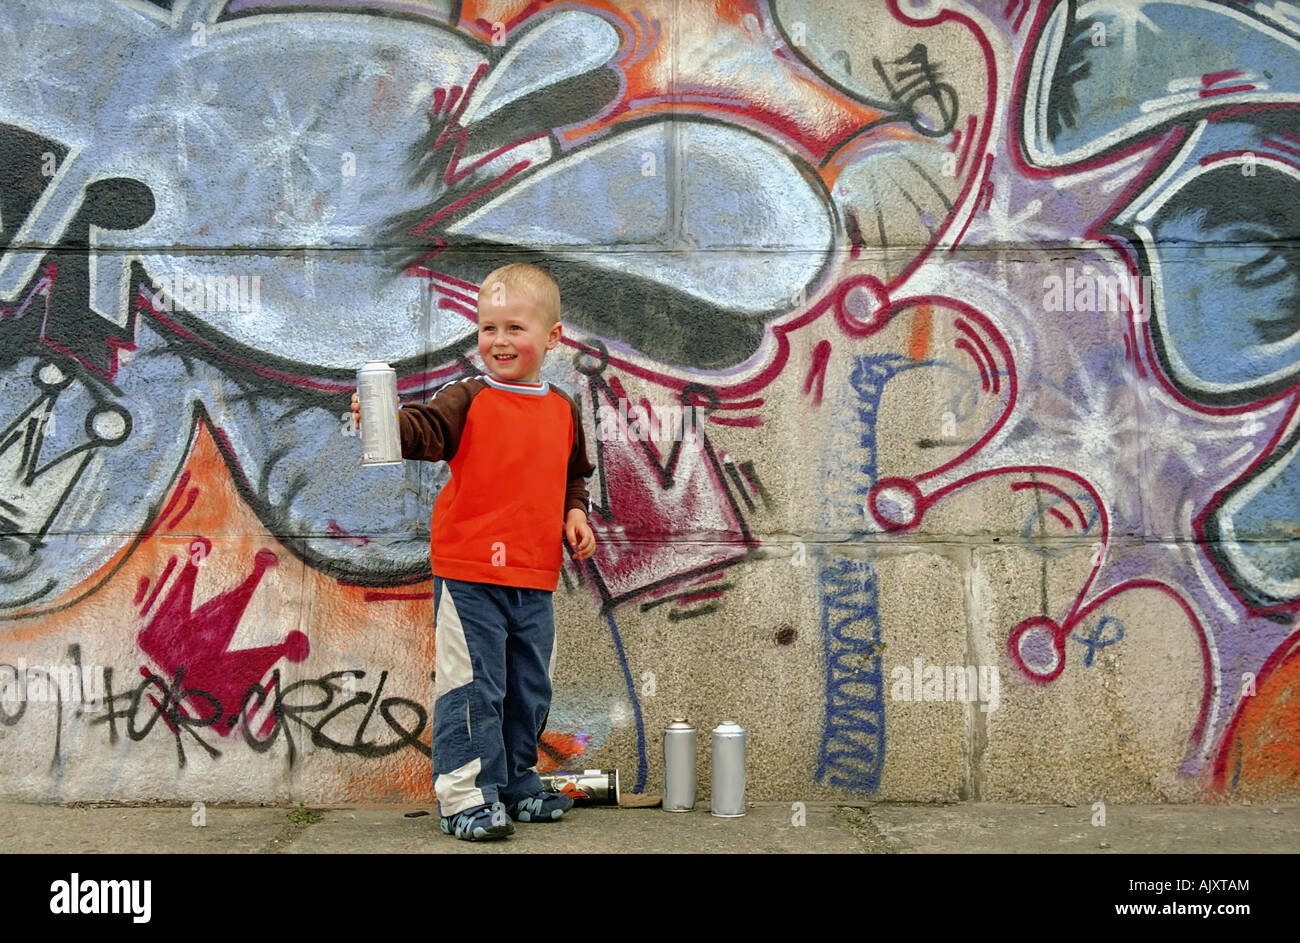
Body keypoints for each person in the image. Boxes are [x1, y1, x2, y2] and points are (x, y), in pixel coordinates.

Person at [352, 263, 596, 841]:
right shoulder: (467, 398)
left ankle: (516, 785)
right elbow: (423, 429)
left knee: (528, 688)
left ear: (552, 338)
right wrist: (385, 421)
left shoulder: (562, 408)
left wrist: (575, 513)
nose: (500, 341)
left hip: (535, 578)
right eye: (488, 328)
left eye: (515, 328)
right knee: (472, 688)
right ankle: (465, 796)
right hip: (469, 577)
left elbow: (573, 475)